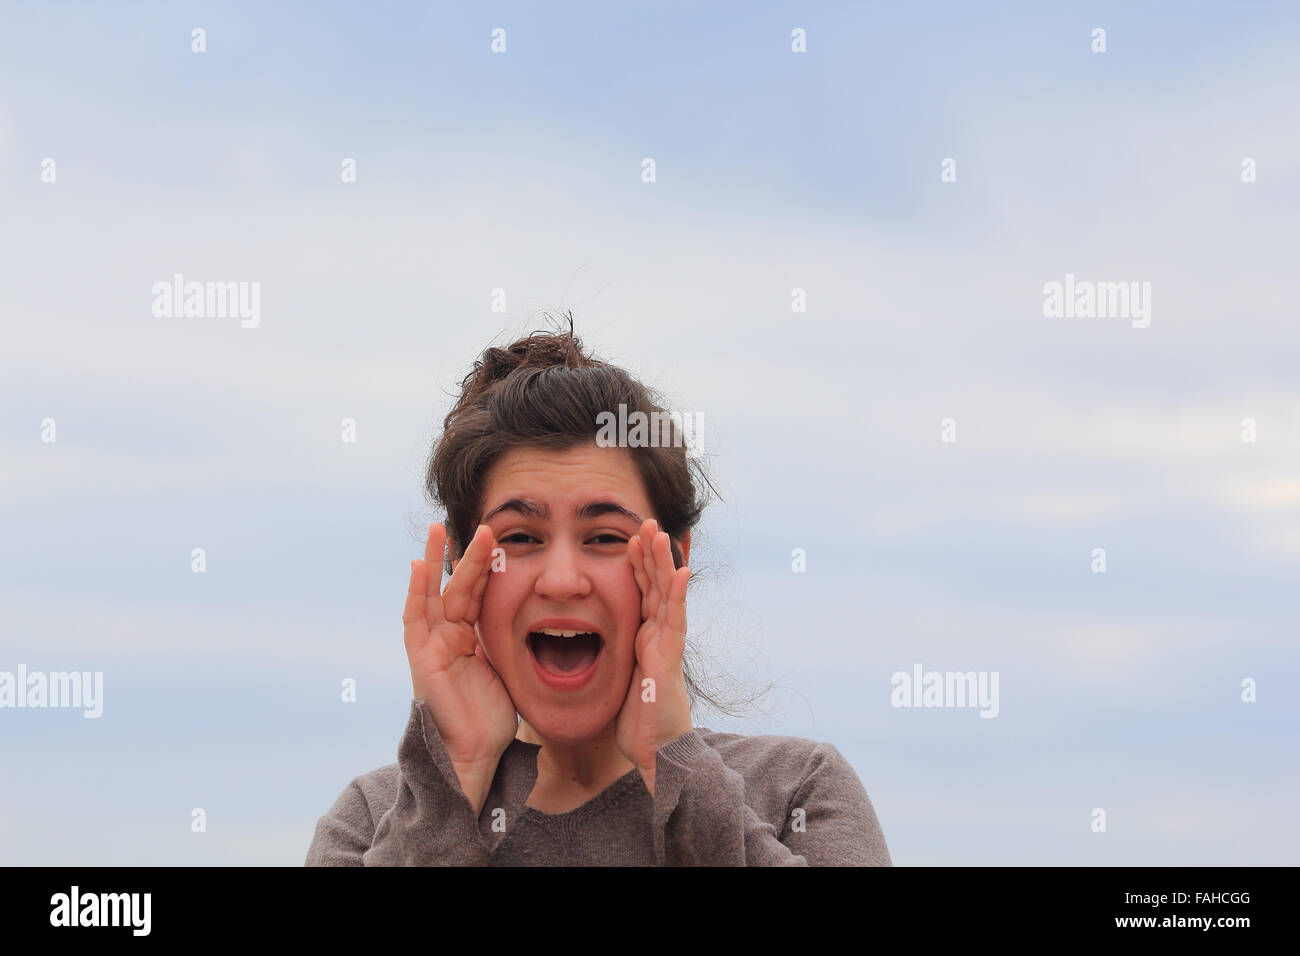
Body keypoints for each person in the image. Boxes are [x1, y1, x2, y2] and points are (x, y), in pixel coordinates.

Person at [305, 322, 891, 865]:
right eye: (521, 536)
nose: (562, 580)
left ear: (676, 558)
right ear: (463, 568)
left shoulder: (797, 790)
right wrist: (452, 782)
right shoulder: (372, 822)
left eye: (606, 536)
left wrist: (678, 767)